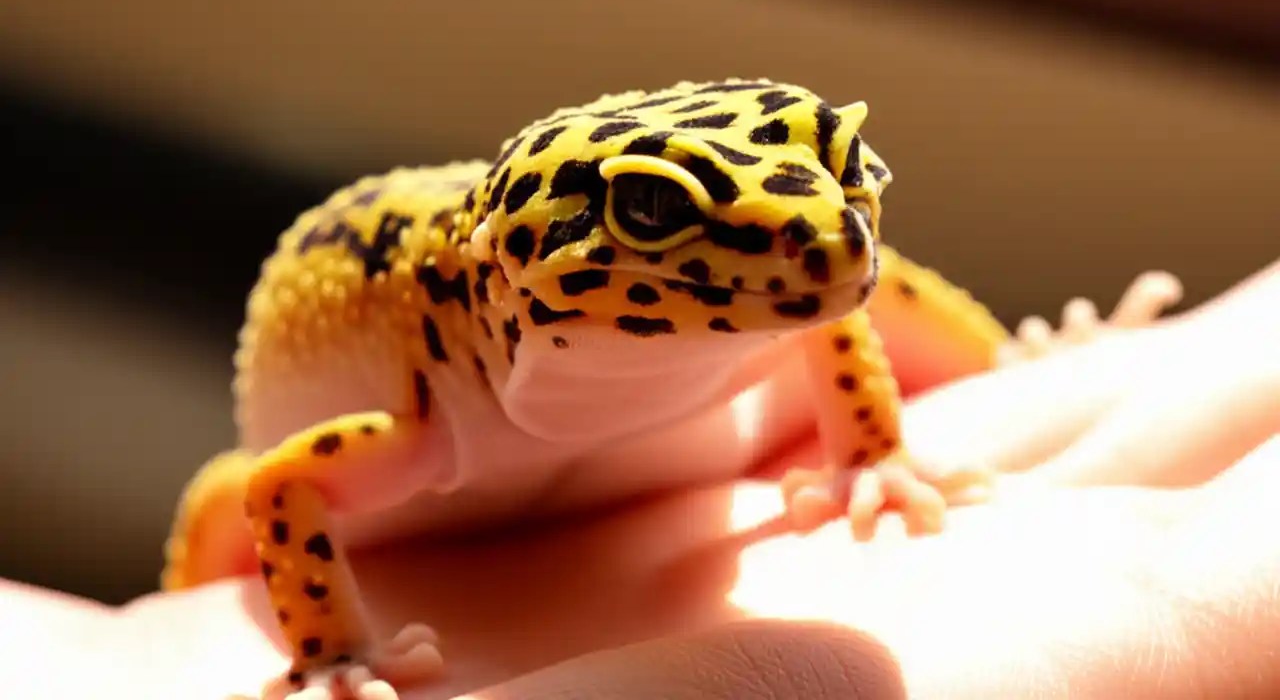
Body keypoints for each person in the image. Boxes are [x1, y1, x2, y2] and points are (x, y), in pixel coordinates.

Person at [3, 257, 1277, 700]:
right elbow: (280, 494)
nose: (812, 260)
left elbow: (831, 308)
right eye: (677, 235)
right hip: (410, 514)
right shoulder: (427, 417)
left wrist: (875, 448)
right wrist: (326, 651)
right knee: (230, 502)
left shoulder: (788, 308)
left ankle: (1030, 364)